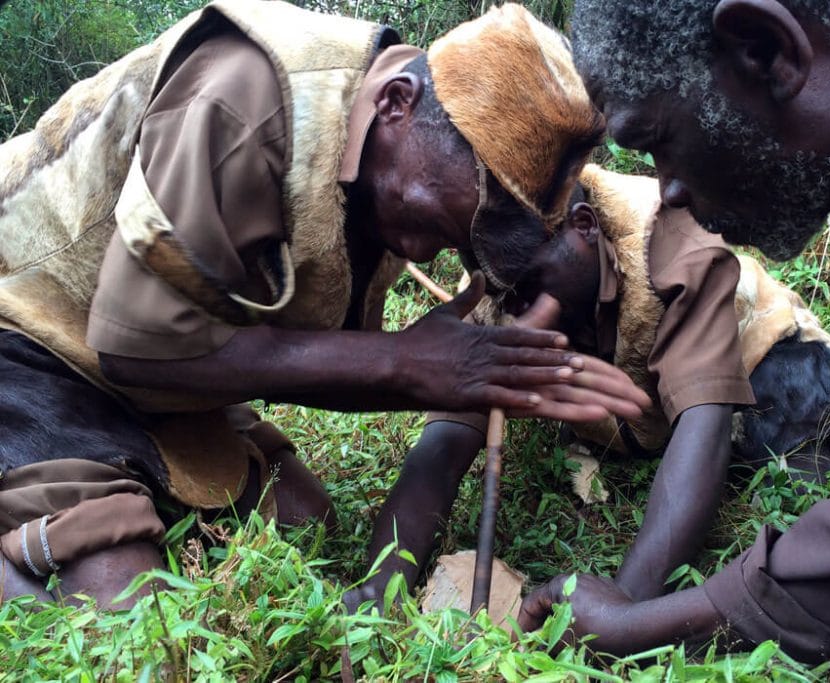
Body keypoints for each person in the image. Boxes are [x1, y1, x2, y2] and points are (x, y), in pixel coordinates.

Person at [0, 2, 651, 608]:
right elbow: (132, 352)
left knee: (307, 522)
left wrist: (441, 374)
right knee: (122, 607)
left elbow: (316, 366)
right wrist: (401, 359)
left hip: (168, 383)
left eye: (454, 243)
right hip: (38, 342)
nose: (423, 253)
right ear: (397, 103)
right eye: (434, 221)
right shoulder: (244, 97)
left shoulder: (391, 168)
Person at [519, 0, 830, 667]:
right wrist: (631, 626)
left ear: (765, 51)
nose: (667, 190)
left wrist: (634, 618)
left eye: (660, 142)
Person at [353, 164, 830, 608]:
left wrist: (621, 610)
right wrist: (380, 585)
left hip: (762, 359)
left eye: (530, 286)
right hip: (642, 415)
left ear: (585, 227)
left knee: (803, 470)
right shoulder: (495, 286)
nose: (521, 313)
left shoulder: (674, 245)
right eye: (507, 297)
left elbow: (704, 427)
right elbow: (442, 446)